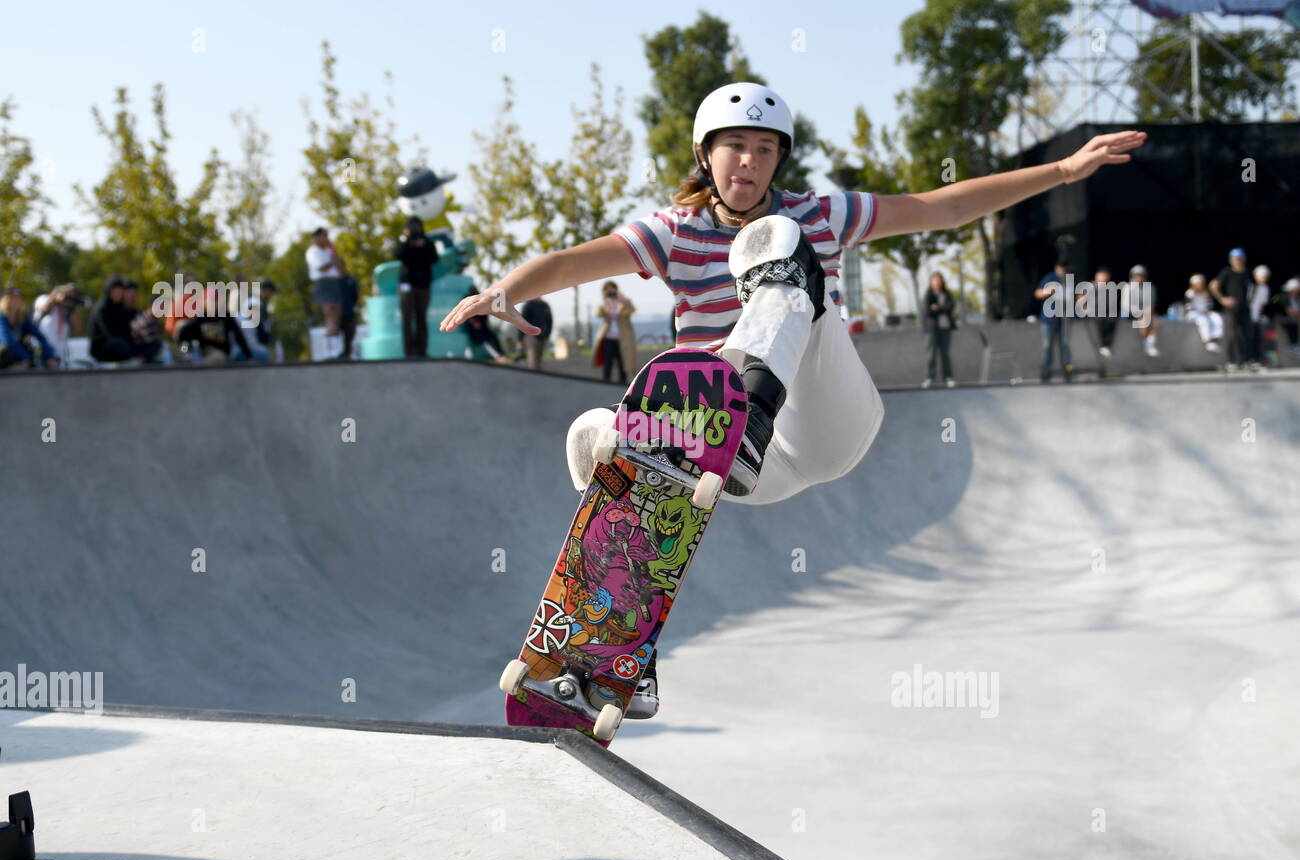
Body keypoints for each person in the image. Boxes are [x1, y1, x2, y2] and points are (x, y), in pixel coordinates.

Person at [439, 81, 1144, 717]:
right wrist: (509, 288)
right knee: (597, 432)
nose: (748, 164)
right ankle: (618, 633)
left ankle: (749, 407)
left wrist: (1062, 170)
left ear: (780, 160)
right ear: (705, 155)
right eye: (735, 149)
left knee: (777, 242)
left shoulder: (822, 213)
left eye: (764, 151)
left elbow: (942, 208)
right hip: (743, 470)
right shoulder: (673, 232)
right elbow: (570, 263)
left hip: (826, 420)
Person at [89, 275, 161, 364]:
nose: (118, 294)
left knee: (154, 344)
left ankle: (141, 360)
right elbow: (110, 334)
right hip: (103, 347)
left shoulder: (122, 308)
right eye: (116, 291)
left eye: (120, 291)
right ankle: (135, 358)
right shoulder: (102, 308)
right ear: (109, 291)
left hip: (125, 345)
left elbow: (130, 331)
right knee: (119, 344)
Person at [393, 216, 439, 357]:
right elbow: (398, 255)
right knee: (407, 319)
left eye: (416, 226)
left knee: (421, 318)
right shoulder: (404, 242)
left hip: (423, 286)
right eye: (411, 227)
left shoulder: (427, 242)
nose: (414, 229)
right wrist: (408, 242)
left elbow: (434, 259)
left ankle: (422, 351)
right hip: (407, 286)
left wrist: (423, 245)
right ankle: (409, 352)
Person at [306, 228, 351, 359]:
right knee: (330, 315)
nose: (327, 239)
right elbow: (322, 267)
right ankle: (329, 350)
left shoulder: (328, 252)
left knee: (336, 316)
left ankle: (335, 349)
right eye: (324, 236)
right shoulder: (313, 252)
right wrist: (333, 260)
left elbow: (343, 271)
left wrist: (335, 255)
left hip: (335, 284)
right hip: (324, 284)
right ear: (318, 237)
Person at [1211, 248, 1252, 370]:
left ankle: (1245, 361)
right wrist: (1222, 299)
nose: (1238, 261)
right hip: (1232, 309)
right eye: (1235, 259)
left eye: (1240, 258)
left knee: (1246, 335)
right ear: (1231, 260)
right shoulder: (1227, 272)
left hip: (1245, 308)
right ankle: (1231, 361)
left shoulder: (1248, 272)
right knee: (1232, 335)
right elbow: (1213, 285)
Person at [1033, 257, 1073, 383]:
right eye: (1061, 268)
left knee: (1064, 344)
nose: (1063, 271)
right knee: (1047, 345)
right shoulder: (1050, 278)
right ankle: (1046, 372)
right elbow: (1038, 293)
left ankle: (1066, 372)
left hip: (1064, 318)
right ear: (1057, 268)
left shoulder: (1068, 280)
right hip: (1049, 318)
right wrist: (1051, 290)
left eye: (1065, 269)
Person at [0, 288, 60, 370]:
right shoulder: (1, 317)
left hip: (17, 354)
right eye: (12, 298)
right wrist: (25, 357)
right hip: (5, 354)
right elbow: (8, 340)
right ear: (5, 300)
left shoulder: (22, 318)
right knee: (5, 349)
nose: (16, 301)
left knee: (37, 351)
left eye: (18, 299)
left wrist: (50, 356)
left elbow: (40, 336)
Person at [593, 281, 636, 384]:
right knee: (608, 361)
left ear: (616, 289)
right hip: (608, 337)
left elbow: (631, 310)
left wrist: (622, 300)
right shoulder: (605, 303)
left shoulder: (624, 301)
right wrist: (605, 301)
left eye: (611, 288)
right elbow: (598, 314)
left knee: (623, 361)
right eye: (607, 289)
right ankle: (606, 380)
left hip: (622, 337)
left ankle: (623, 381)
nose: (610, 291)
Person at [921, 271, 956, 388]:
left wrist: (937, 308)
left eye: (939, 280)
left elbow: (950, 307)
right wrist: (942, 309)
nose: (937, 282)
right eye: (935, 280)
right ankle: (929, 378)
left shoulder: (947, 294)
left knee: (945, 354)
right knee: (931, 354)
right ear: (931, 282)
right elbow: (927, 311)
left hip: (945, 328)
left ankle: (948, 377)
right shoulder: (928, 295)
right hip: (932, 330)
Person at [1122, 264, 1158, 358]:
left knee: (1155, 321)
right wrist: (1140, 312)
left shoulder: (1150, 287)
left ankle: (1151, 343)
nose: (1139, 278)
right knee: (1143, 319)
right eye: (1136, 275)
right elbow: (1126, 307)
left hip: (1145, 314)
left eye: (1141, 275)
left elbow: (1151, 304)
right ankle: (1146, 345)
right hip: (1129, 314)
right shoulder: (1127, 287)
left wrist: (1147, 310)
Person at [1184, 274, 1224, 352]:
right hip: (1193, 313)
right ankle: (1207, 341)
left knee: (1216, 317)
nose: (1199, 285)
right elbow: (1188, 306)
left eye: (1201, 283)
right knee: (1203, 320)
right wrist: (1200, 311)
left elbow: (1209, 304)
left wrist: (1208, 310)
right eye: (1198, 283)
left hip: (1205, 312)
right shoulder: (1189, 293)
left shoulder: (1206, 293)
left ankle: (1215, 338)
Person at [518, 297, 553, 370]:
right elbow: (521, 321)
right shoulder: (528, 305)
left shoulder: (545, 305)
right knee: (533, 358)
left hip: (542, 335)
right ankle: (533, 373)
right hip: (530, 336)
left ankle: (538, 374)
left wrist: (547, 335)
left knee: (539, 357)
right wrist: (520, 339)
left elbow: (549, 321)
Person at [1281, 277, 1300, 356]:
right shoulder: (1285, 298)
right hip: (1287, 321)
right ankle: (1293, 346)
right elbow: (1290, 311)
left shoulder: (1296, 298)